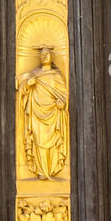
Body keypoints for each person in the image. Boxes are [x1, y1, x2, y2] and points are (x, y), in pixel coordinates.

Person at [17, 47, 68, 179]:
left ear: (52, 57)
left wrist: (62, 103)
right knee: (38, 141)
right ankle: (41, 171)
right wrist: (28, 85)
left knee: (52, 143)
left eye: (47, 54)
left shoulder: (56, 76)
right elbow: (22, 88)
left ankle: (51, 169)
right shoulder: (34, 74)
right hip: (36, 113)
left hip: (52, 112)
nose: (44, 56)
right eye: (42, 54)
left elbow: (63, 94)